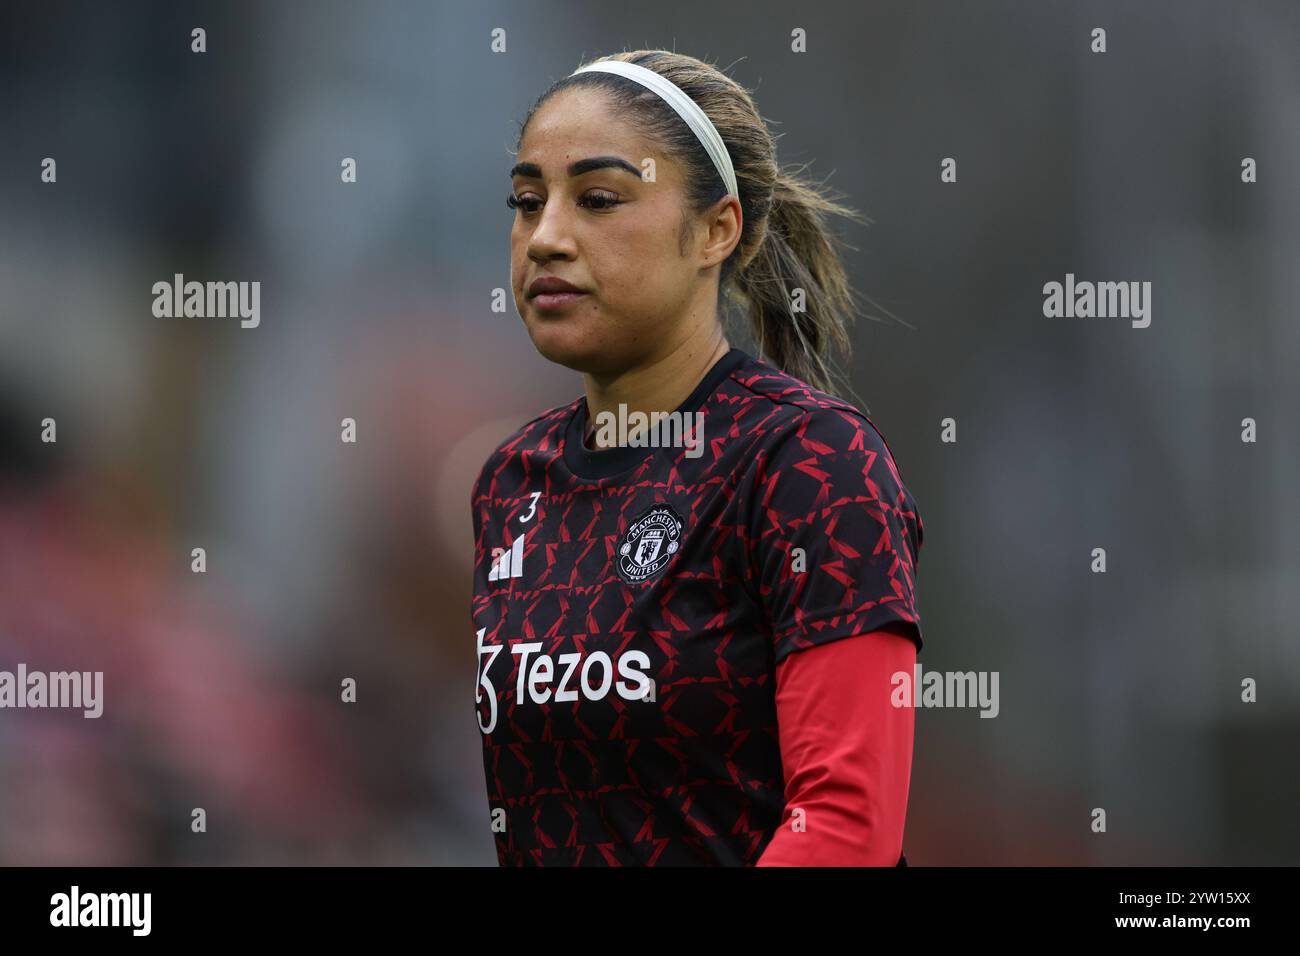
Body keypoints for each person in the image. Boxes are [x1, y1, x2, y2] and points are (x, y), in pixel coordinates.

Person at [471, 49, 923, 866]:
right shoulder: (511, 482)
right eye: (528, 202)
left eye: (599, 200)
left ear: (717, 230)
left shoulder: (809, 464)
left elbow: (848, 826)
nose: (546, 238)